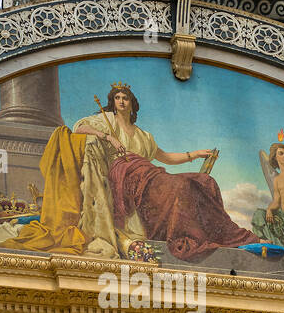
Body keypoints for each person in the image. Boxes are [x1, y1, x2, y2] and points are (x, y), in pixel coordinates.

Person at [17, 83, 258, 261]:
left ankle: (215, 233)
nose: (122, 101)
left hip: (150, 175)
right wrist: (107, 136)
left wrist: (194, 154)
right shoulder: (105, 121)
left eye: (126, 98)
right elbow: (79, 128)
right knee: (181, 187)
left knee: (202, 181)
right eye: (118, 98)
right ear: (113, 102)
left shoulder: (143, 135)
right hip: (126, 178)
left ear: (132, 104)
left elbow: (164, 157)